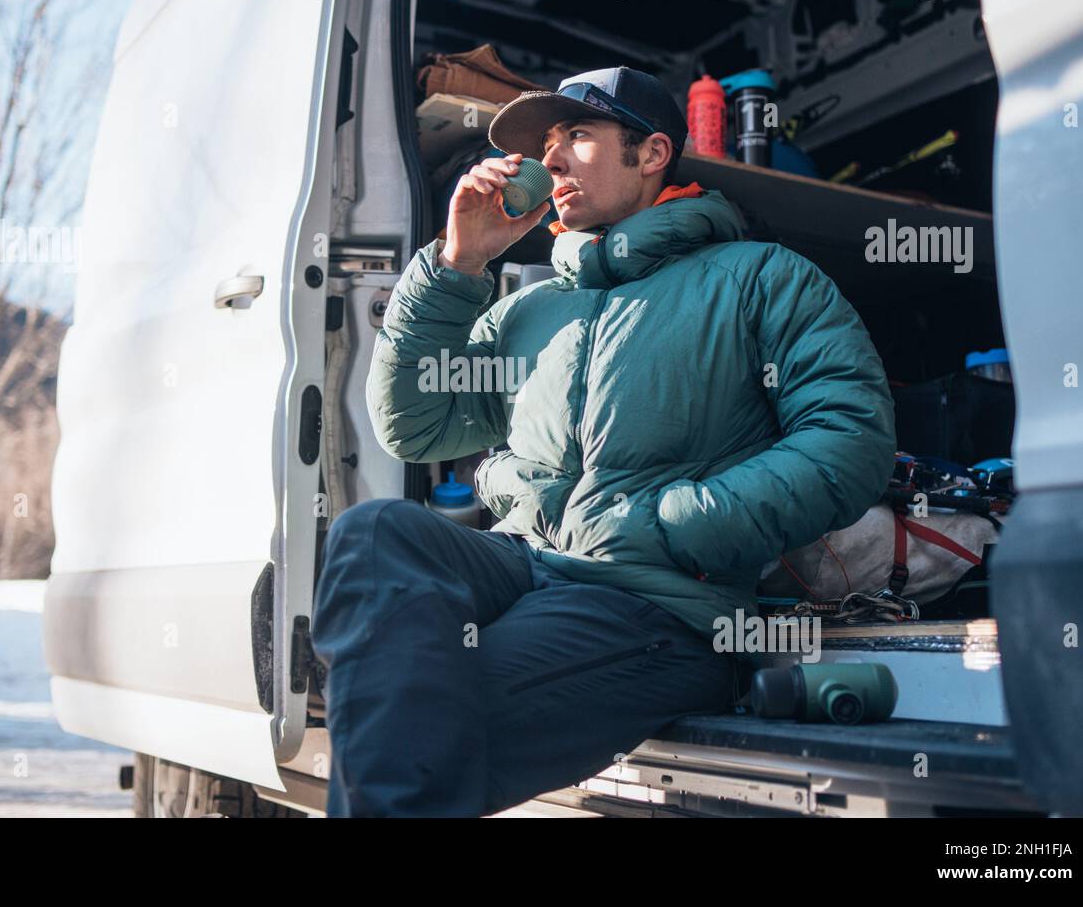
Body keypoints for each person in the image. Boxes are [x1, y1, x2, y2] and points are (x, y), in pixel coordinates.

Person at [310, 66, 896, 817]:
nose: (549, 161)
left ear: (651, 154)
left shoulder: (762, 278)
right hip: (525, 562)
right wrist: (458, 266)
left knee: (412, 728)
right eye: (546, 145)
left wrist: (669, 526)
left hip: (654, 602)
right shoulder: (533, 308)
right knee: (376, 532)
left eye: (576, 136)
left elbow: (848, 443)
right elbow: (416, 426)